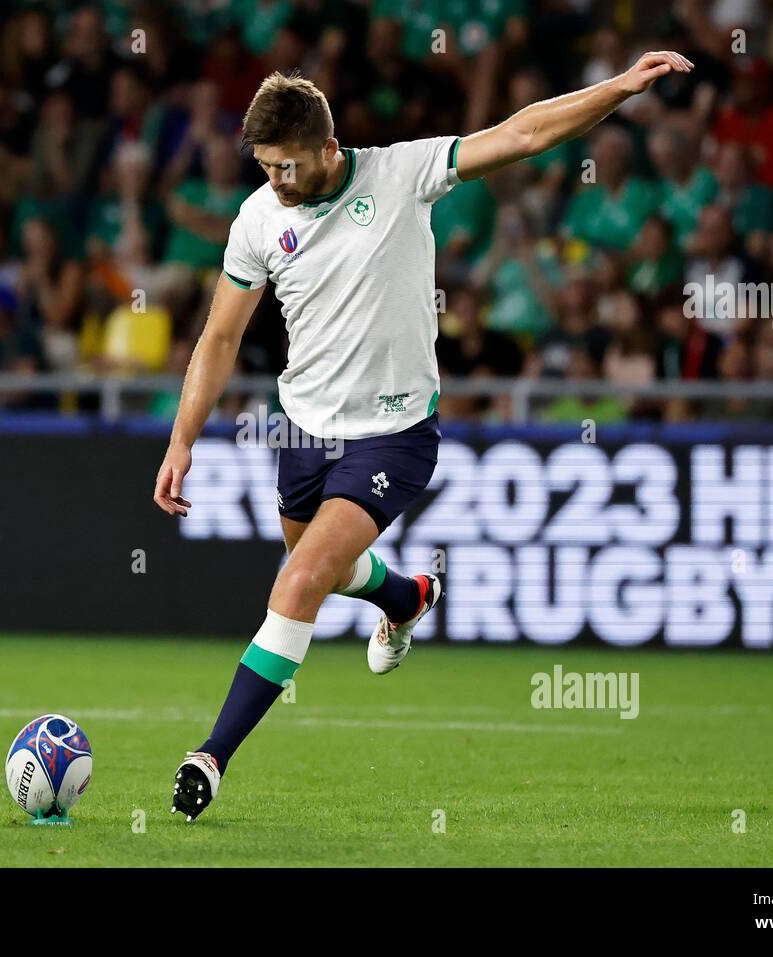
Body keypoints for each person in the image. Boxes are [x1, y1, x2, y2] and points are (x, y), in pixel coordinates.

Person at [152, 54, 694, 819]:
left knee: (300, 583)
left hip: (393, 435)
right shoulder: (257, 220)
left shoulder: (403, 174)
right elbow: (218, 339)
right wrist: (183, 440)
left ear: (328, 148)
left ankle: (210, 755)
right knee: (326, 573)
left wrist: (619, 88)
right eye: (266, 167)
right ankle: (406, 596)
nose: (275, 180)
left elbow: (525, 133)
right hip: (304, 432)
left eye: (287, 166)